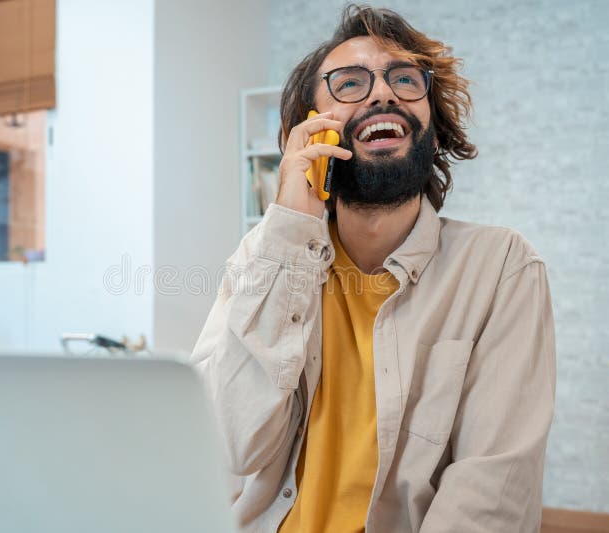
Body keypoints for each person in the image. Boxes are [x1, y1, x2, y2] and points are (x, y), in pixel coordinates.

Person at [190, 5, 556, 532]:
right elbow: (228, 446)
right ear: (310, 132)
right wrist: (289, 227)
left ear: (434, 122)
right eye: (349, 83)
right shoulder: (263, 258)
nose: (383, 93)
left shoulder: (502, 267)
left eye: (405, 79)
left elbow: (492, 492)